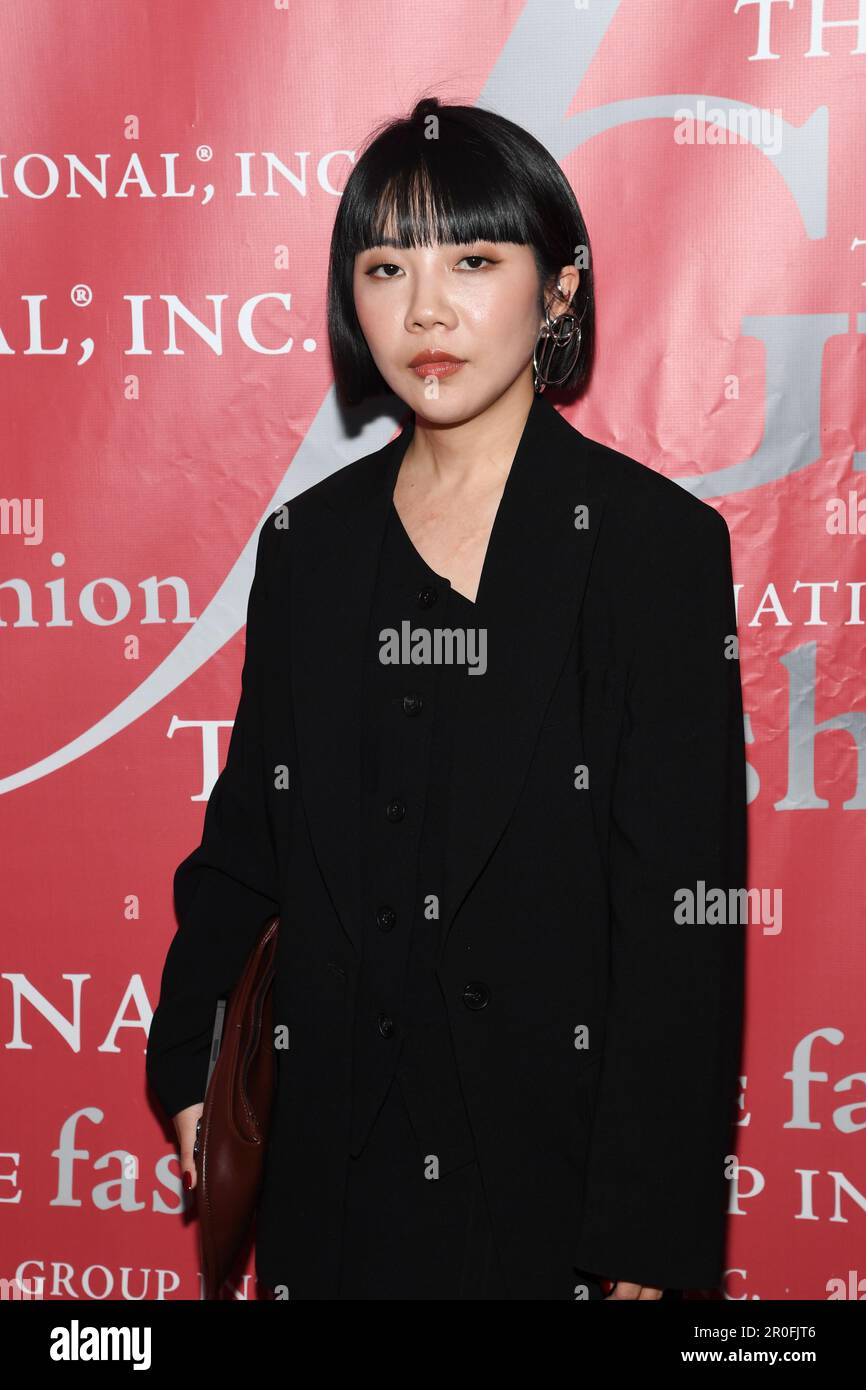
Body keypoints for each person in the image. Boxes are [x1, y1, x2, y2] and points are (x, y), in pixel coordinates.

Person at [146, 95, 747, 1301]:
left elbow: (681, 917)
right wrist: (195, 1069)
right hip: (330, 1176)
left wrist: (639, 1226)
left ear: (558, 288)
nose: (426, 307)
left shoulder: (650, 548)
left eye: (474, 259)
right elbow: (247, 846)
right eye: (385, 265)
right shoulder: (308, 547)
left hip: (551, 1187)